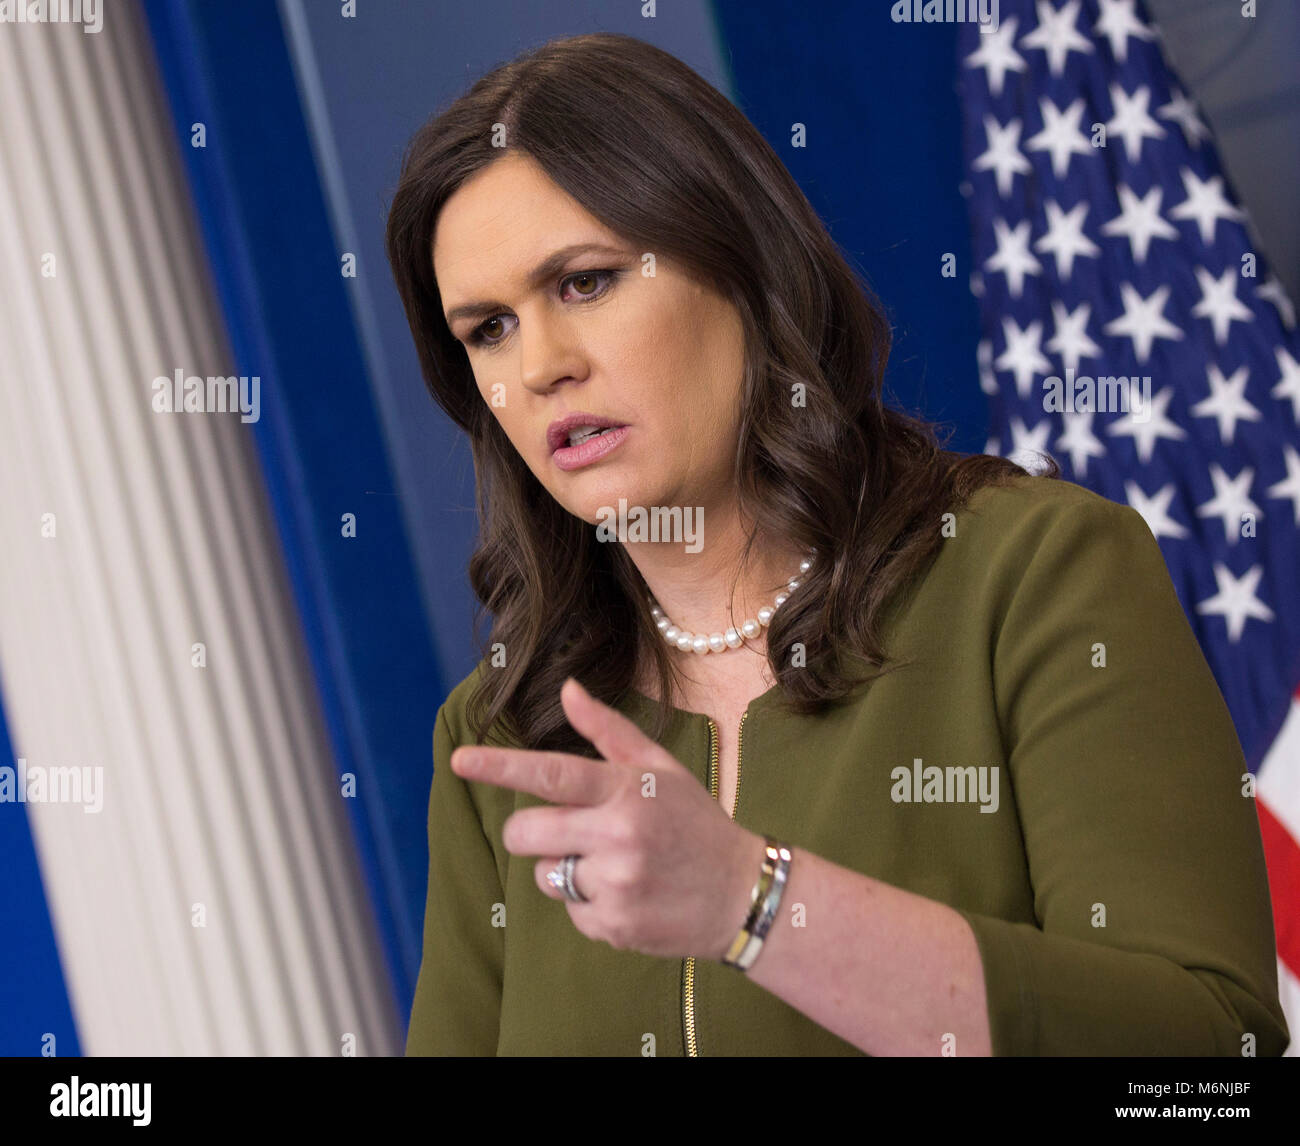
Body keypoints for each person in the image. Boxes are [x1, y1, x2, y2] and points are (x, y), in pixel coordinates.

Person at [384, 32, 1289, 1056]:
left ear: (739, 263)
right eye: (487, 328)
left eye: (585, 282)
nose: (540, 363)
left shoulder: (1031, 575)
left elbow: (1208, 1060)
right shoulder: (503, 732)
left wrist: (752, 903)